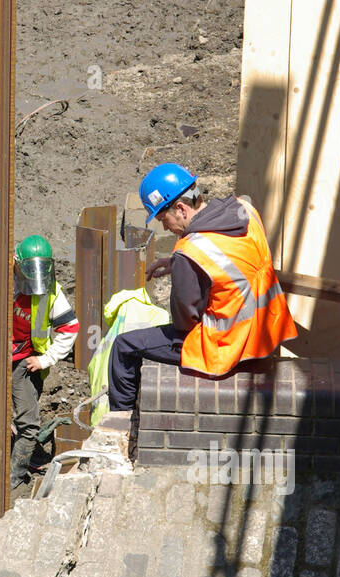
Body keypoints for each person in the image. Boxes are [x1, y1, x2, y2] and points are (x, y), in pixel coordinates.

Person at [107, 163, 298, 411]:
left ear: (181, 208)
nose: (165, 227)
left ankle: (120, 427)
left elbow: (185, 322)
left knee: (124, 347)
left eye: (163, 218)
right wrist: (182, 267)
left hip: (231, 345)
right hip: (268, 330)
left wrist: (184, 268)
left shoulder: (190, 251)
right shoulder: (245, 209)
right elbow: (236, 266)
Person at [12, 235, 79, 492]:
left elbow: (70, 328)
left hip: (25, 363)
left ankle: (13, 478)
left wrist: (45, 359)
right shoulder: (4, 279)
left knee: (28, 426)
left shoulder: (51, 292)